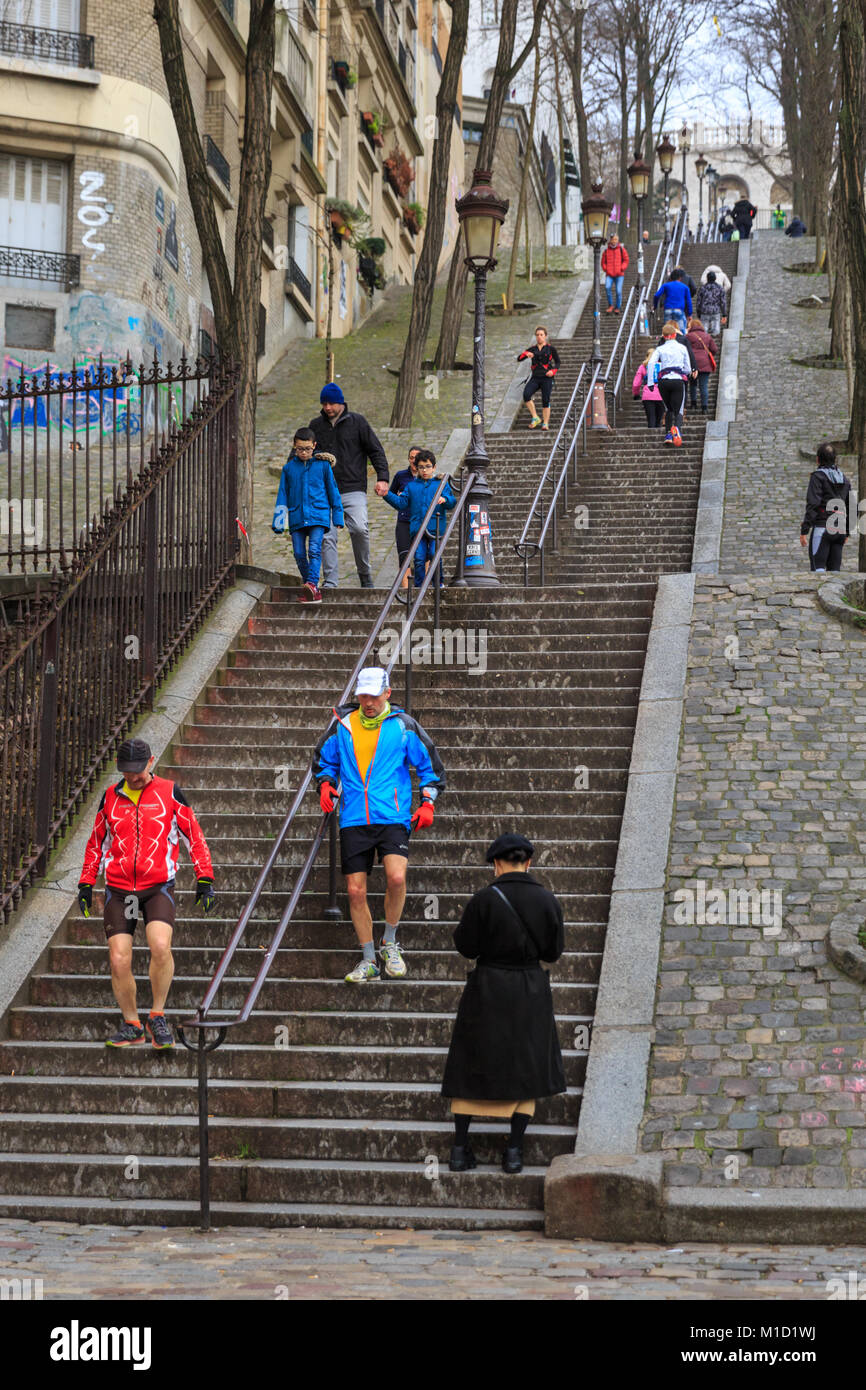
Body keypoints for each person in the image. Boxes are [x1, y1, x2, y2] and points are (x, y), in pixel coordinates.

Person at [77, 739, 215, 1050]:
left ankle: (157, 1015)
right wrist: (86, 883)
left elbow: (194, 834)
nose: (134, 777)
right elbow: (96, 841)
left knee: (160, 945)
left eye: (138, 771)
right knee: (119, 958)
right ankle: (132, 1024)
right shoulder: (110, 797)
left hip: (157, 887)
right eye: (127, 772)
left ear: (151, 762)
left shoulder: (169, 792)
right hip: (121, 889)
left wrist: (205, 878)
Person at [441, 833, 566, 1175]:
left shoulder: (484, 899)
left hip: (488, 986)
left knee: (472, 1059)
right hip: (529, 988)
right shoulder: (547, 900)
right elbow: (553, 953)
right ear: (528, 863)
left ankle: (459, 1149)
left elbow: (465, 946)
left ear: (496, 864)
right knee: (526, 1062)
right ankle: (513, 1152)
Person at [313, 667, 445, 982]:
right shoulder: (342, 725)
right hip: (354, 818)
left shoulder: (403, 726)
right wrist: (325, 783)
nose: (368, 702)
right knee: (355, 890)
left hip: (393, 815)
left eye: (374, 695)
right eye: (363, 695)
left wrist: (428, 802)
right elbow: (323, 759)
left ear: (387, 693)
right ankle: (369, 959)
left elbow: (430, 765)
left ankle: (390, 942)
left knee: (396, 878)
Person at [309, 383, 390, 590]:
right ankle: (331, 581)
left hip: (353, 488)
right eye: (324, 403)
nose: (327, 407)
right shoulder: (316, 426)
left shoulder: (358, 422)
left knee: (360, 529)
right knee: (327, 535)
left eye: (331, 403)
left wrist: (383, 478)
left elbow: (376, 451)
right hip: (324, 492)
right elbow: (303, 451)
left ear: (341, 402)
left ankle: (364, 574)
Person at [271, 428, 344, 603]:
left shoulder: (323, 466)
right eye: (300, 449)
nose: (304, 452)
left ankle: (311, 583)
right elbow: (282, 494)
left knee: (314, 549)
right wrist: (279, 521)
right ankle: (311, 588)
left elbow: (333, 491)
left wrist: (338, 516)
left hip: (319, 514)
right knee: (298, 553)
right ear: (294, 447)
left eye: (308, 449)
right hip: (297, 516)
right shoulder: (288, 469)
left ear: (314, 446)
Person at [383, 449, 456, 591]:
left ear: (434, 467)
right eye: (421, 467)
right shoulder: (411, 486)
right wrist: (387, 494)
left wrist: (445, 499)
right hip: (417, 529)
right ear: (417, 468)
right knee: (419, 557)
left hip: (436, 528)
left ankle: (438, 583)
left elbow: (452, 502)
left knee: (435, 555)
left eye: (428, 466)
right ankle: (419, 586)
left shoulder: (440, 484)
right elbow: (401, 503)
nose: (424, 470)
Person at [800, 442, 851, 573]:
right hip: (839, 530)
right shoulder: (845, 480)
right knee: (835, 573)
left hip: (822, 529)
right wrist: (848, 532)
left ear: (818, 459)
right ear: (835, 459)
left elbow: (813, 504)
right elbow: (852, 506)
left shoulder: (817, 477)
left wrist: (804, 530)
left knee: (818, 571)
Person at [647, 322, 692, 446]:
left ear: (664, 336)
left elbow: (651, 363)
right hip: (677, 380)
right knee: (679, 410)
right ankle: (677, 429)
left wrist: (651, 382)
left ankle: (668, 433)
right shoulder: (682, 348)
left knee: (668, 409)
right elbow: (688, 367)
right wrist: (686, 372)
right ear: (674, 335)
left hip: (664, 382)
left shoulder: (660, 349)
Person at [390, 445, 421, 600]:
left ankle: (423, 587)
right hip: (403, 521)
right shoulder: (400, 476)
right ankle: (405, 590)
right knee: (404, 555)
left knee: (423, 555)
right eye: (411, 457)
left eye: (417, 457)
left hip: (421, 522)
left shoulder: (427, 478)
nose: (414, 460)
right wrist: (400, 500)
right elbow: (391, 494)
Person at [516, 325, 560, 430]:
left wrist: (553, 371)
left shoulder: (550, 348)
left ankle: (545, 423)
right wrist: (527, 354)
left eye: (541, 335)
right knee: (526, 394)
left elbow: (558, 362)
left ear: (545, 336)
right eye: (537, 335)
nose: (539, 337)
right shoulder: (532, 349)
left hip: (547, 378)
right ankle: (535, 417)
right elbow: (519, 358)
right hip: (535, 377)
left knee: (546, 400)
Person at [685, 316, 718, 415]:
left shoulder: (688, 336)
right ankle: (704, 407)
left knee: (693, 384)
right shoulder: (707, 336)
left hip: (692, 363)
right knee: (704, 386)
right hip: (705, 364)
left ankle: (693, 403)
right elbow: (715, 349)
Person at [653, 268, 693, 336]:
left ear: (671, 278)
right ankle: (681, 341)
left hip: (668, 309)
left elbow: (656, 295)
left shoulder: (666, 285)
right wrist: (689, 314)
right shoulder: (685, 287)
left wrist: (655, 305)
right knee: (681, 330)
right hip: (679, 310)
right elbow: (689, 301)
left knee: (667, 330)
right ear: (680, 278)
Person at [633, 348, 665, 430]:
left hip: (647, 395)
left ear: (646, 356)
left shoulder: (643, 366)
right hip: (661, 395)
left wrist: (636, 394)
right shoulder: (662, 366)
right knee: (658, 421)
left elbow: (636, 383)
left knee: (651, 419)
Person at [601, 233, 629, 314]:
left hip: (619, 274)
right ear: (610, 240)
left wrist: (622, 268)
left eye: (616, 239)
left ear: (618, 240)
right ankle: (611, 305)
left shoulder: (621, 249)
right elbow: (603, 262)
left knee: (618, 291)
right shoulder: (606, 251)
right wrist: (606, 269)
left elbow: (626, 260)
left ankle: (617, 307)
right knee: (607, 287)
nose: (614, 241)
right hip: (609, 274)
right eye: (613, 239)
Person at [694, 271, 727, 339]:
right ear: (715, 278)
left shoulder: (703, 288)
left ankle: (704, 342)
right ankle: (714, 342)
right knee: (716, 329)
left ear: (707, 278)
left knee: (704, 329)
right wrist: (724, 314)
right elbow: (723, 302)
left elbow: (698, 302)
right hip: (715, 310)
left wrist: (698, 313)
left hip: (704, 311)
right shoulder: (720, 288)